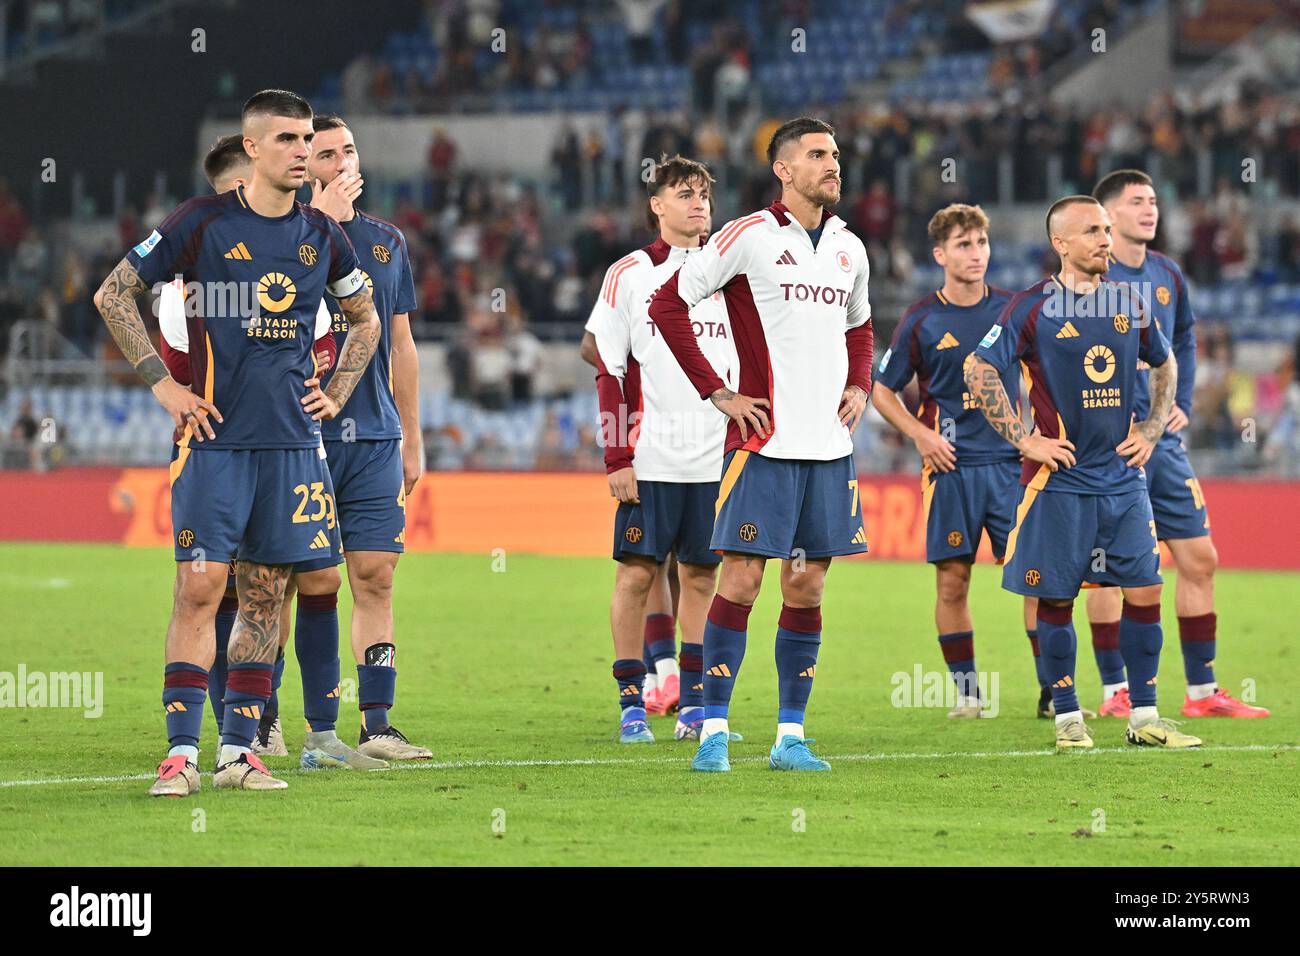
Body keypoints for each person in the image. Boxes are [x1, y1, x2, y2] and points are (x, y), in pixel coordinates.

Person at [93, 89, 382, 795]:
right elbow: (114, 293)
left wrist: (337, 391)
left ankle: (239, 752)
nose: (302, 152)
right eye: (287, 139)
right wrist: (164, 385)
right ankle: (180, 755)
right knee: (199, 589)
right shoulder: (202, 223)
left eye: (308, 139)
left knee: (263, 598)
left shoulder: (323, 231)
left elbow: (364, 317)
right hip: (215, 444)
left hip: (289, 447)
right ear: (252, 148)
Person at [648, 117, 873, 772]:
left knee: (806, 587)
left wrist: (860, 383)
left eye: (835, 153)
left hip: (829, 450)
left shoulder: (850, 248)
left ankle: (790, 737)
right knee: (742, 580)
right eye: (816, 155)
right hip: (762, 445)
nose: (832, 164)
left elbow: (860, 326)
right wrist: (717, 393)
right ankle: (713, 727)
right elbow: (668, 306)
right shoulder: (747, 236)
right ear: (783, 169)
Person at [965, 194, 1201, 750]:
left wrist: (1151, 426)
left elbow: (1164, 361)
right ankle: (1069, 716)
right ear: (1061, 243)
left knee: (1143, 590)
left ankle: (1145, 719)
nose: (1105, 239)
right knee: (1056, 599)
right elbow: (978, 370)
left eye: (1106, 229)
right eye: (1092, 230)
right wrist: (1025, 438)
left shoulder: (1129, 302)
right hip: (1060, 484)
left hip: (1122, 481)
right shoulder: (1030, 308)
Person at [1082, 169, 1267, 719]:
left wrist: (1177, 400)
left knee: (1199, 558)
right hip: (1110, 446)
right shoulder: (1091, 275)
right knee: (1105, 568)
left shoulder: (1167, 273)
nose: (1150, 209)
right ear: (1107, 214)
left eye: (1154, 200)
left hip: (1160, 439)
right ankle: (1116, 690)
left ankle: (1202, 694)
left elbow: (1182, 337)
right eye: (1137, 201)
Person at [580, 154, 736, 744]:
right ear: (657, 205)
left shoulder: (730, 272)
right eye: (684, 193)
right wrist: (618, 457)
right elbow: (609, 370)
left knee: (700, 578)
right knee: (636, 575)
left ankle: (695, 706)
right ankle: (631, 705)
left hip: (715, 458)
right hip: (650, 456)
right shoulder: (630, 274)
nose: (698, 204)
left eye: (704, 195)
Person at [299, 113, 432, 760]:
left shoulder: (386, 242)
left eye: (348, 150)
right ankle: (282, 720)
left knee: (375, 576)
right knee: (302, 578)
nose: (343, 163)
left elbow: (401, 344)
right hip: (300, 438)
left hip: (375, 436)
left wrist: (413, 437)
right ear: (304, 168)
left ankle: (376, 724)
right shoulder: (283, 240)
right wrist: (319, 224)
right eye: (327, 154)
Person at [872, 203, 1038, 718]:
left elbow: (1046, 375)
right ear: (940, 254)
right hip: (950, 468)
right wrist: (922, 435)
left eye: (981, 243)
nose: (976, 253)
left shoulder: (1015, 310)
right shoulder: (922, 318)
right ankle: (968, 694)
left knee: (1037, 577)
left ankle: (1054, 689)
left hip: (1012, 465)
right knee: (952, 581)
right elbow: (882, 390)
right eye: (964, 244)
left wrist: (1038, 435)